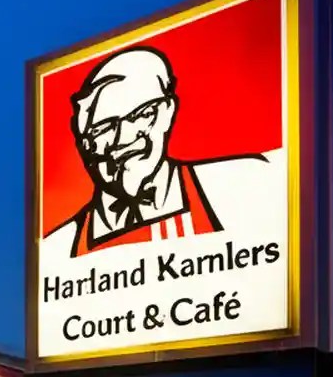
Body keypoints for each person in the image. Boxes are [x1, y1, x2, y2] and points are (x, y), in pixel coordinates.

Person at [44, 46, 280, 259]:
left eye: (143, 115)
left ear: (167, 112)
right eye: (104, 127)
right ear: (85, 144)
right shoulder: (57, 250)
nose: (125, 137)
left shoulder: (241, 186)